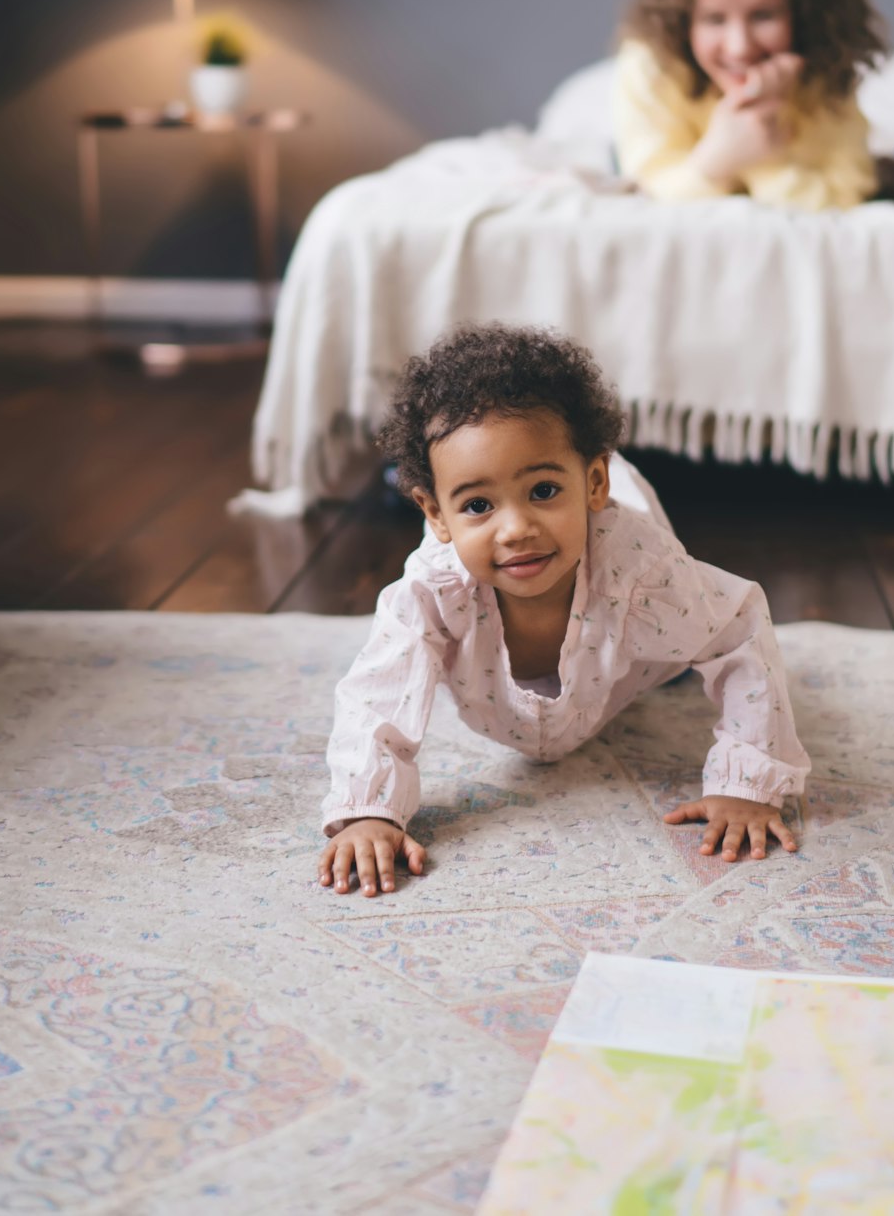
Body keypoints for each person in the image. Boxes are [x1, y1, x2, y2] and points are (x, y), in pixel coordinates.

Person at [316, 324, 811, 898]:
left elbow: (736, 624)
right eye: (478, 505)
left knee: (677, 640)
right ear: (436, 515)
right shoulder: (432, 590)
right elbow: (375, 695)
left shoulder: (643, 571)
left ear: (594, 481)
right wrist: (367, 811)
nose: (516, 529)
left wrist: (746, 782)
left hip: (629, 611)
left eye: (543, 491)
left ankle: (579, 513)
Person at [613, 0, 887, 210]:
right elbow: (647, 199)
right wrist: (718, 158)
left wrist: (764, 157)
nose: (739, 47)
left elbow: (846, 200)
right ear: (683, 21)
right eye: (714, 19)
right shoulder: (652, 69)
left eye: (763, 16)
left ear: (803, 15)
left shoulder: (828, 77)